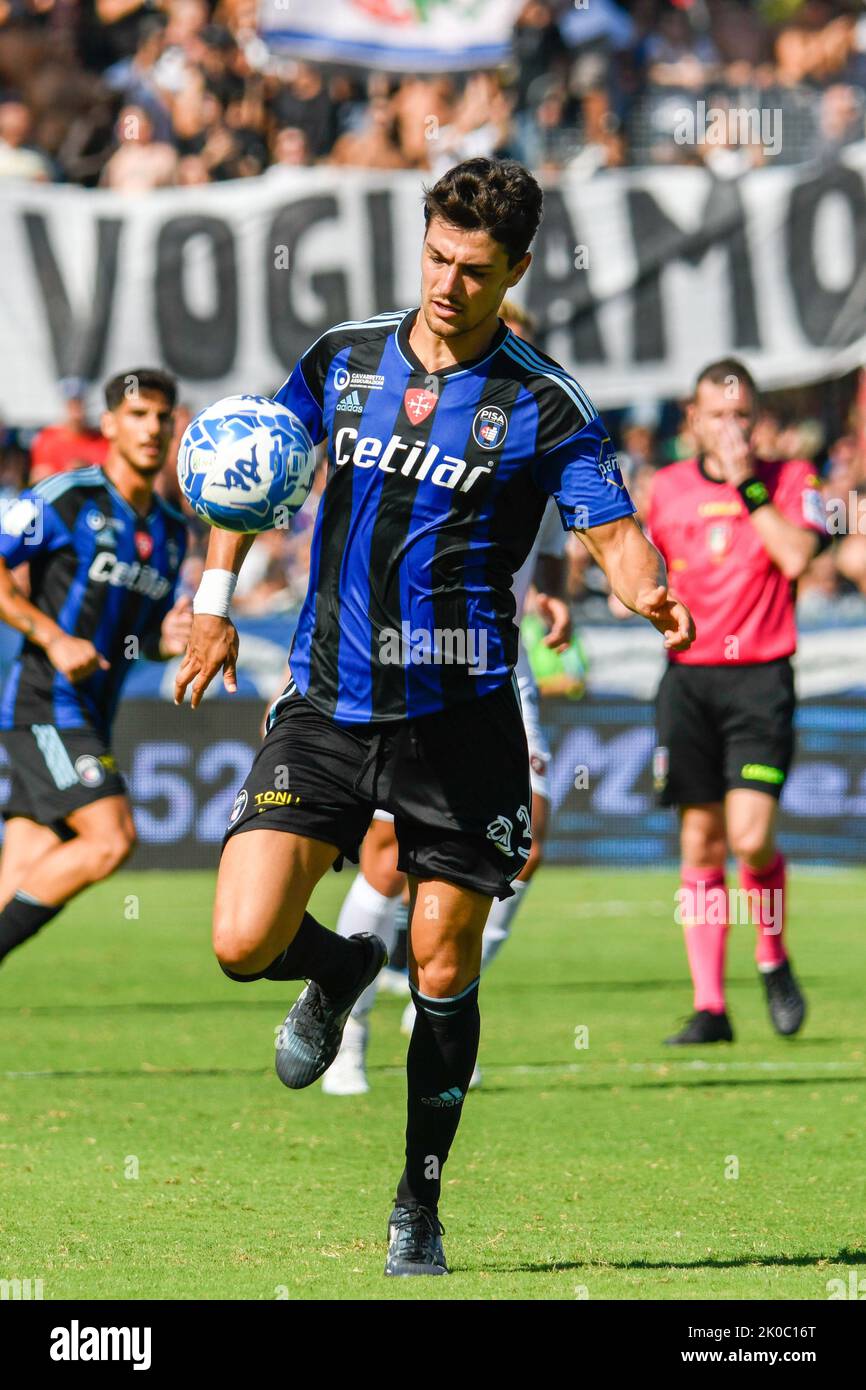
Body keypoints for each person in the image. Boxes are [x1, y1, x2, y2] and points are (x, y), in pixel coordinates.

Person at [175, 157, 694, 1277]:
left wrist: (641, 585)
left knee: (445, 960)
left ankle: (418, 1199)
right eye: (436, 256)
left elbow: (610, 527)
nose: (448, 283)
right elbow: (239, 470)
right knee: (239, 939)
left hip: (459, 724)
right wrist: (214, 607)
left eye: (473, 268)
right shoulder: (342, 357)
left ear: (513, 268)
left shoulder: (542, 401)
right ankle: (339, 968)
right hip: (324, 699)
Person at [322, 298, 573, 1098]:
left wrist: (557, 598)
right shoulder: (426, 423)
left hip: (500, 664)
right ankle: (347, 1020)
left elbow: (562, 538)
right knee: (391, 855)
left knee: (526, 835)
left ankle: (435, 993)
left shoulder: (546, 418)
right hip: (416, 659)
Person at [648, 359, 828, 1046]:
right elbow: (641, 569)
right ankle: (710, 1007)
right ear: (692, 420)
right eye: (717, 414)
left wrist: (750, 485)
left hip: (760, 678)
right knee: (700, 840)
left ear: (758, 420)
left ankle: (773, 956)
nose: (731, 427)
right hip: (689, 680)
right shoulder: (665, 489)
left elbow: (795, 559)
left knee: (751, 838)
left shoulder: (791, 481)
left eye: (742, 414)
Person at [0, 368, 190, 966]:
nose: (152, 428)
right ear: (108, 425)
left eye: (162, 416)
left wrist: (170, 638)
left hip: (91, 714)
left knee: (16, 878)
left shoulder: (174, 532)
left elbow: (144, 638)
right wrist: (53, 637)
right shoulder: (67, 497)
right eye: (138, 414)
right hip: (44, 705)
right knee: (111, 840)